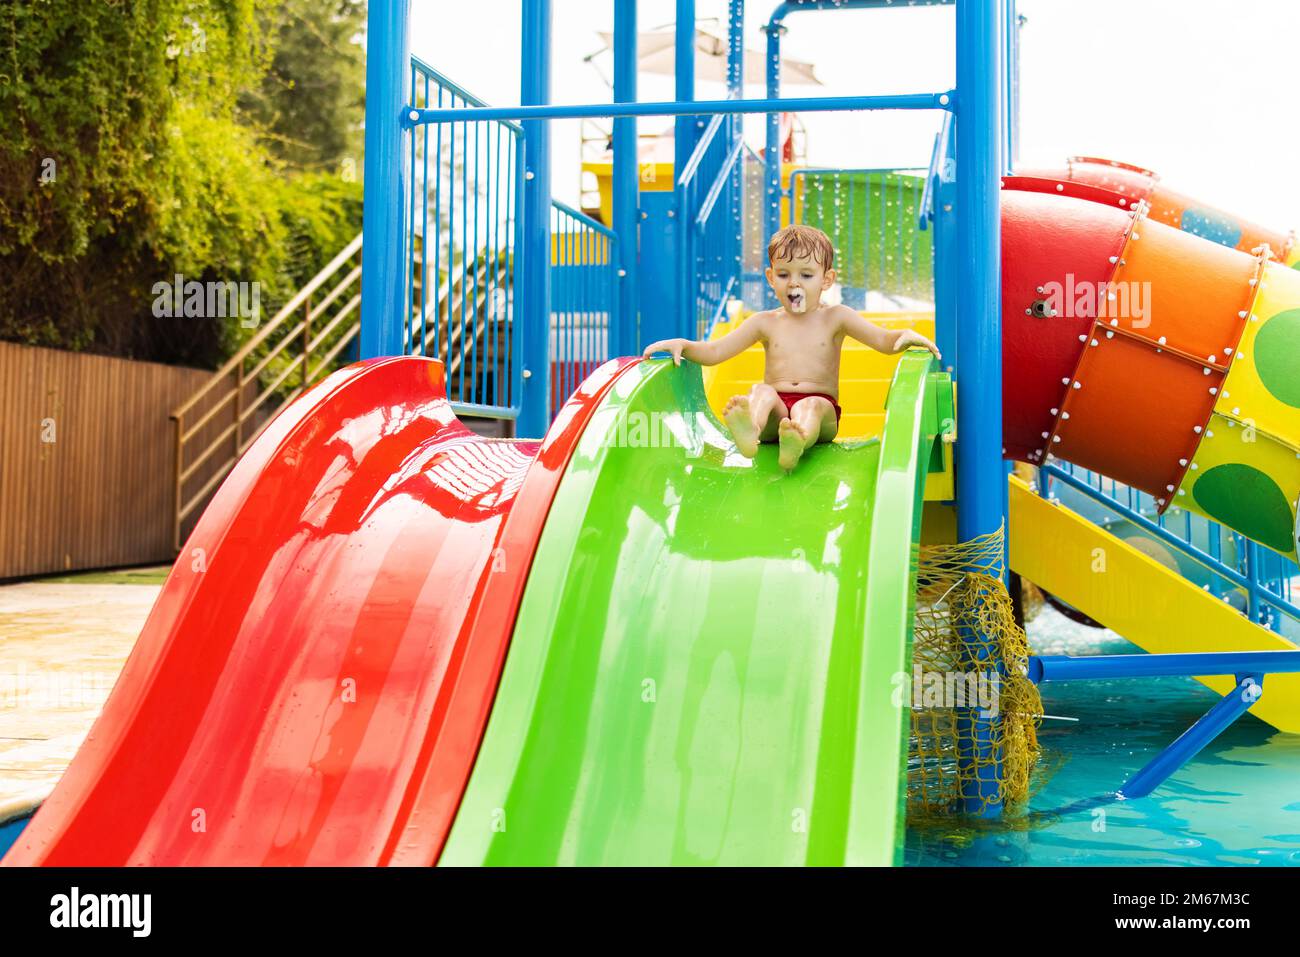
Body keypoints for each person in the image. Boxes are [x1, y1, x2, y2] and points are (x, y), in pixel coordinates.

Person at [641, 224, 941, 472]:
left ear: (826, 280)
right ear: (771, 278)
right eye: (784, 275)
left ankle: (798, 440)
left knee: (809, 407)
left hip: (821, 412)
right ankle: (751, 432)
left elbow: (883, 341)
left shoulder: (837, 317)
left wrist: (905, 337)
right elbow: (716, 352)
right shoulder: (764, 322)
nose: (793, 284)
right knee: (761, 391)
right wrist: (683, 344)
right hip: (776, 413)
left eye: (806, 275)